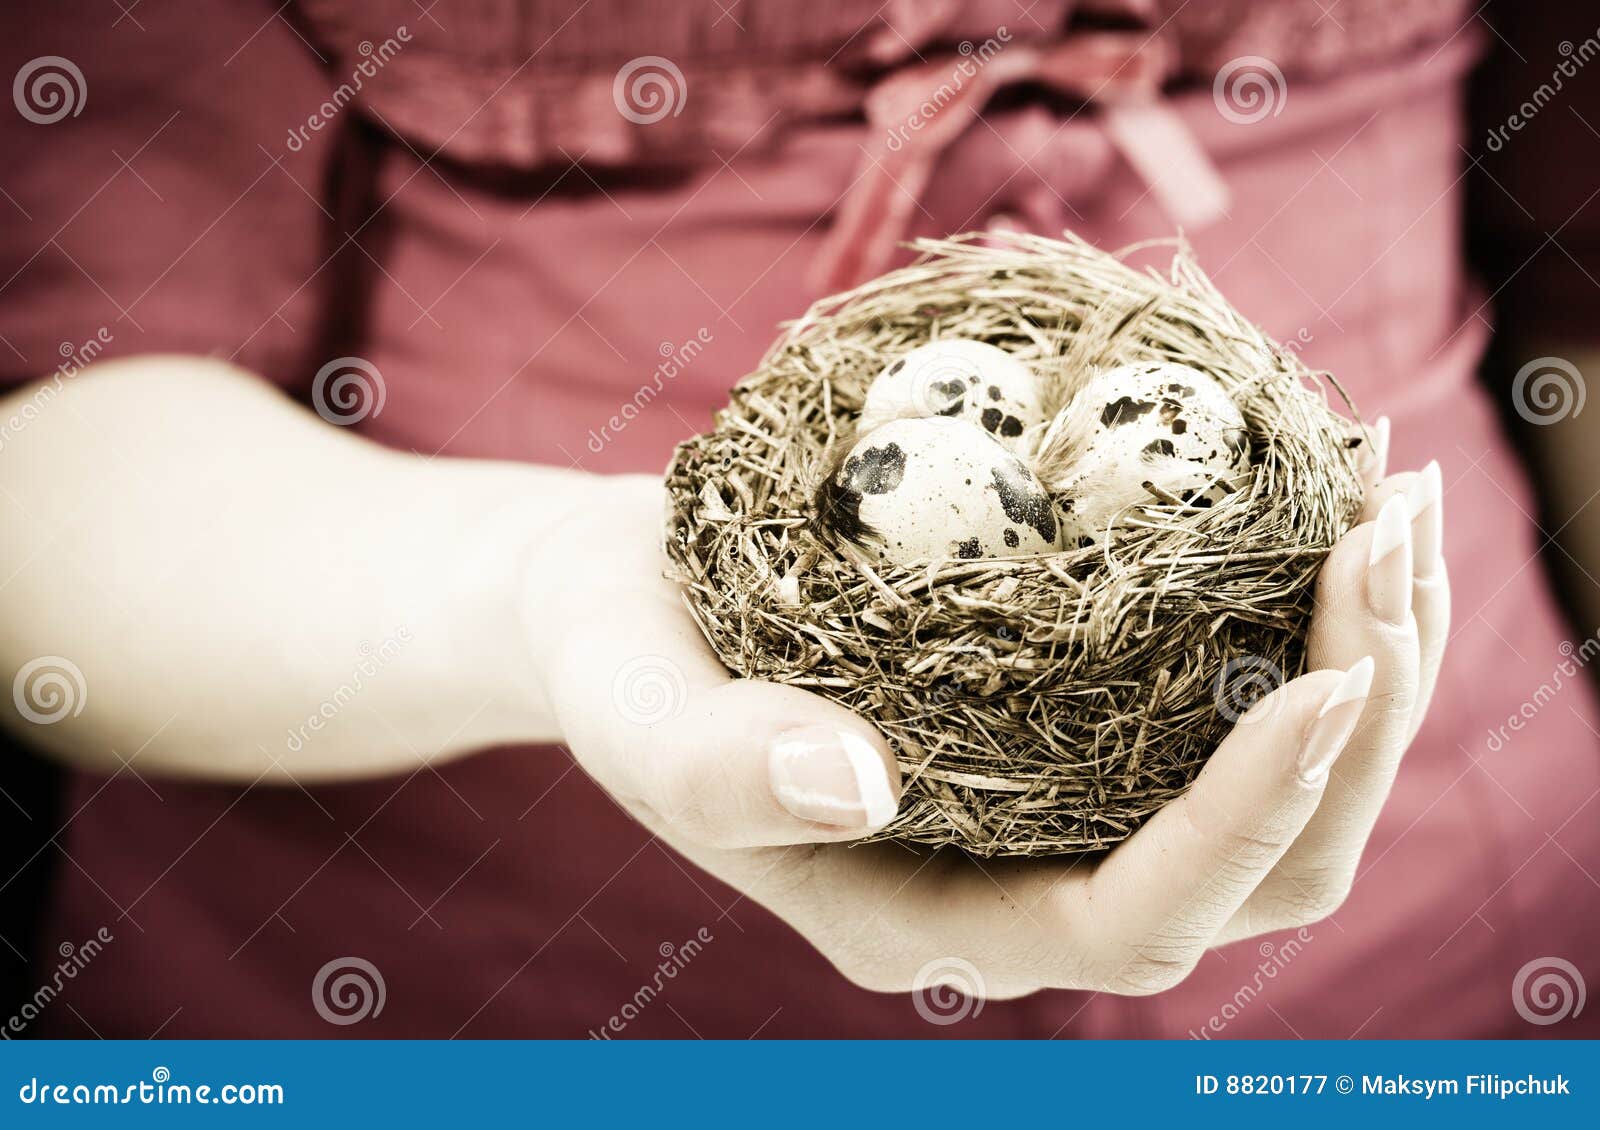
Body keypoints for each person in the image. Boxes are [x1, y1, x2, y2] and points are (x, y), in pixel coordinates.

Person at [0, 0, 1594, 1038]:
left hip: (1425, 978)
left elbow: (1579, 287)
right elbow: (57, 451)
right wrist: (550, 598)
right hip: (489, 999)